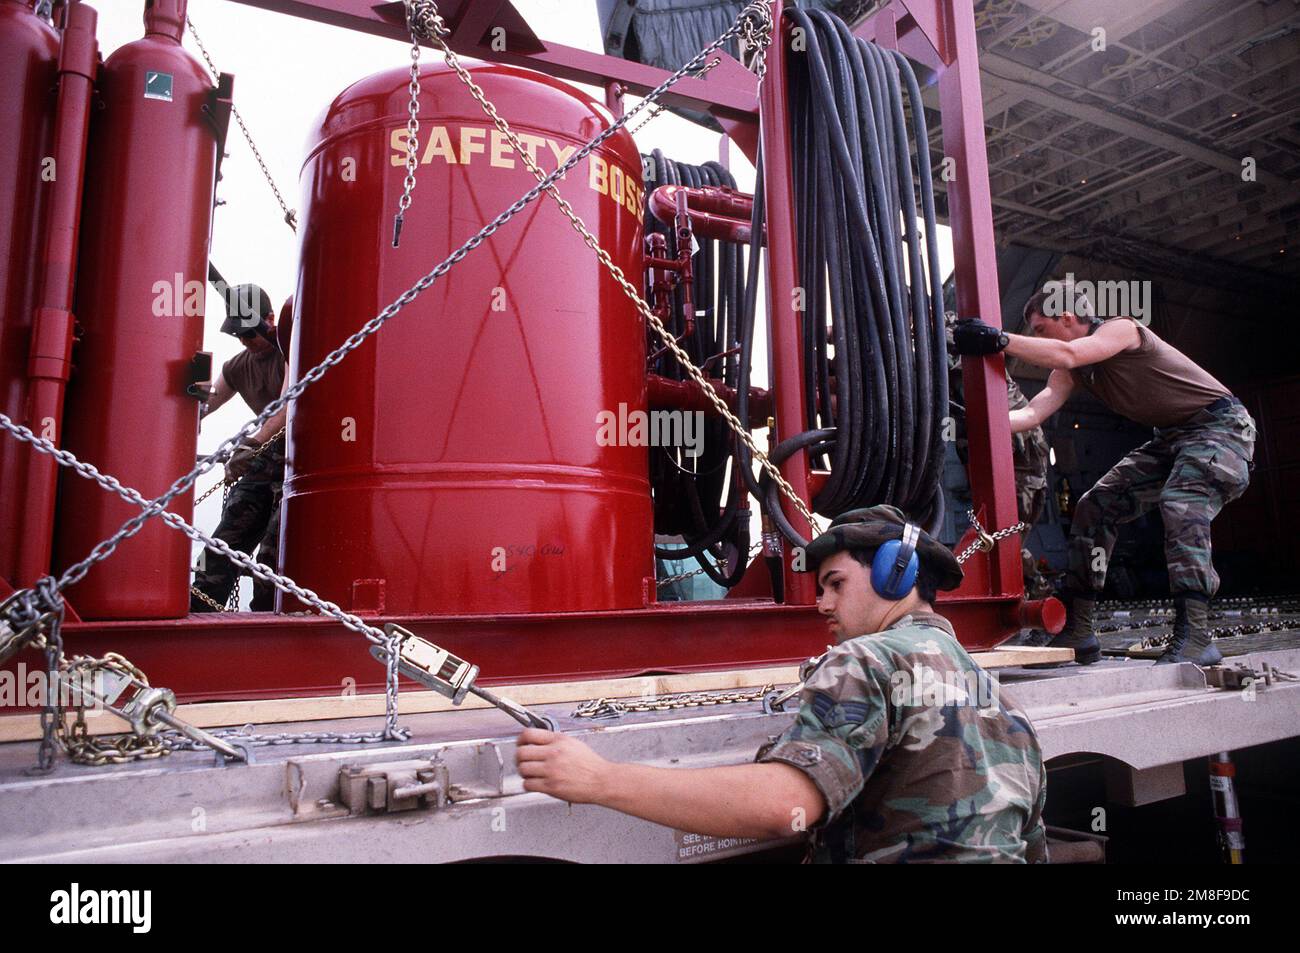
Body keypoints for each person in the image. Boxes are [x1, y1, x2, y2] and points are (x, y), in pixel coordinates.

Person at [515, 505, 1049, 863]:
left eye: (835, 584)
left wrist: (597, 779)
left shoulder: (867, 660)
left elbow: (783, 808)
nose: (822, 605)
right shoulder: (1003, 701)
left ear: (897, 575)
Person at [952, 284, 1256, 665]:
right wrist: (980, 421)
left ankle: (1195, 633)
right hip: (1172, 438)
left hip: (1220, 428)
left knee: (1182, 503)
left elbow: (1067, 350)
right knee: (1095, 506)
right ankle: (1079, 627)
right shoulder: (1073, 370)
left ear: (1066, 318)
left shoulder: (1120, 330)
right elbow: (1033, 413)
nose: (1035, 338)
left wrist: (997, 340)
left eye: (1040, 329)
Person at [190, 284, 288, 612]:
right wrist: (188, 404)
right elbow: (205, 403)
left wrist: (251, 444)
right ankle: (201, 605)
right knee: (220, 545)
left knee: (273, 554)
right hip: (262, 460)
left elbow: (288, 404)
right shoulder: (236, 367)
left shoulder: (291, 348)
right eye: (240, 336)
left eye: (250, 334)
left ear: (271, 320)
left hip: (298, 460)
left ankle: (267, 621)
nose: (246, 342)